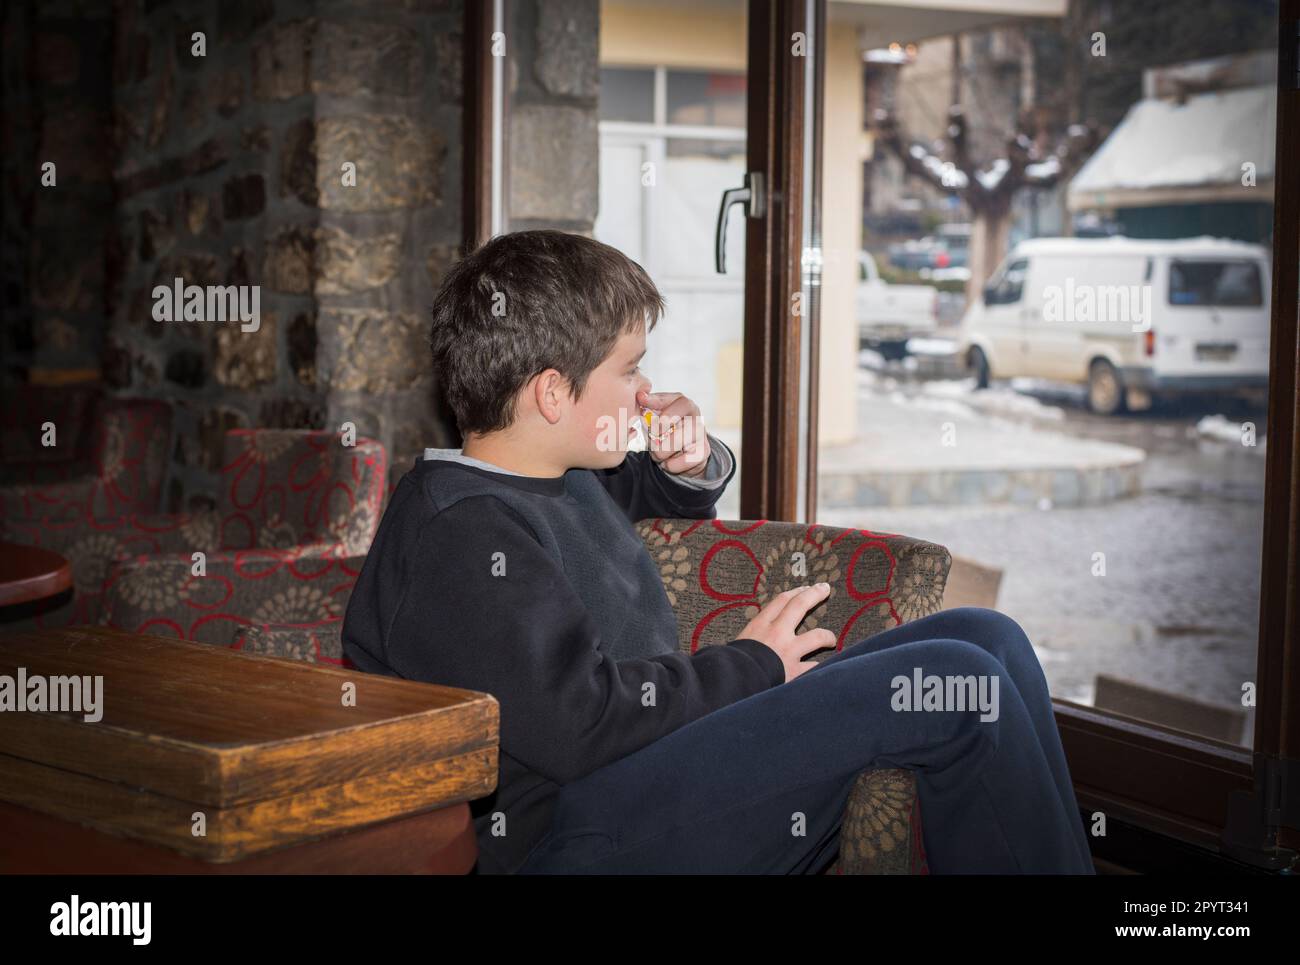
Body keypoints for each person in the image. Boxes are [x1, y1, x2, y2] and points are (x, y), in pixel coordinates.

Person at [341, 229, 1094, 875]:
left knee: (987, 636)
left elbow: (631, 506)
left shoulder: (547, 474)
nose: (645, 392)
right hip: (569, 839)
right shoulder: (461, 535)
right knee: (955, 679)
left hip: (638, 775)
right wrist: (752, 665)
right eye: (628, 368)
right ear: (550, 394)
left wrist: (685, 464)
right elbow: (579, 726)